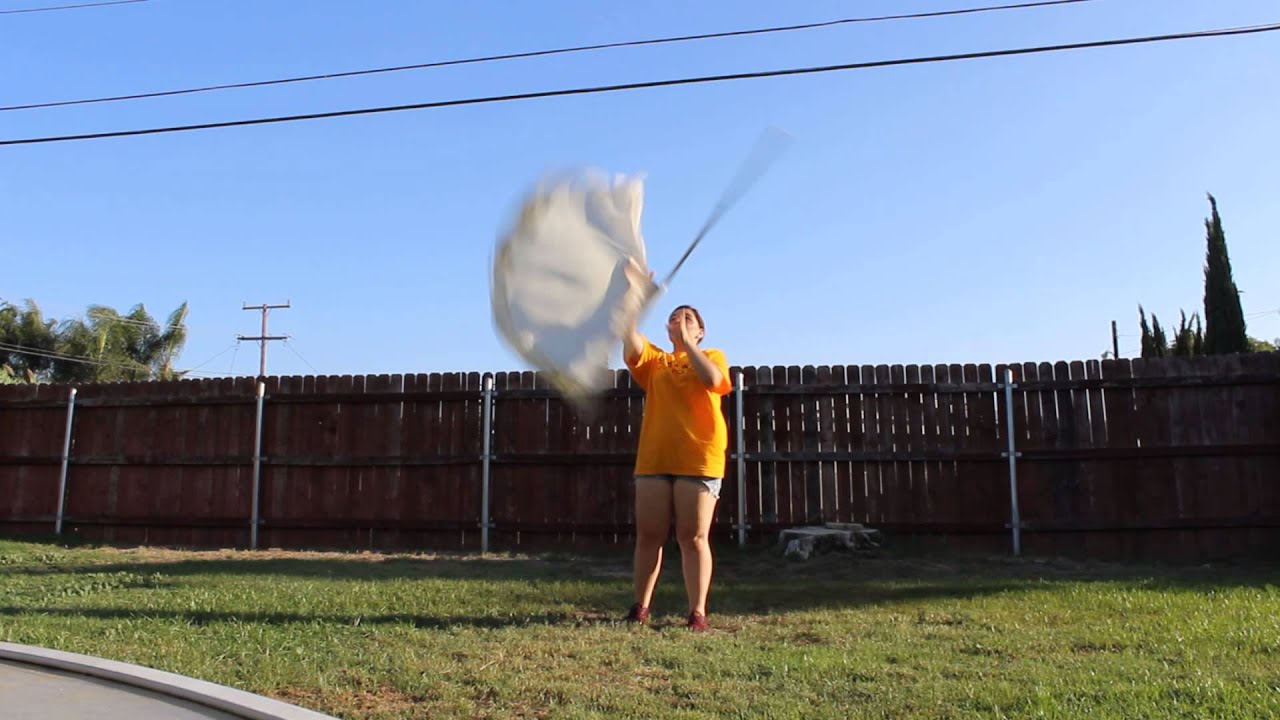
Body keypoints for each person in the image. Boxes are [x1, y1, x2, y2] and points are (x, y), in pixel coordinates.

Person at [619, 260, 732, 631]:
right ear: (666, 328)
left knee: (693, 537)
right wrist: (633, 292)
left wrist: (688, 346)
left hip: (699, 458)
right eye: (674, 316)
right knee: (649, 535)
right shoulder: (656, 361)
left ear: (701, 331)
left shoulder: (712, 356)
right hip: (655, 458)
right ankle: (639, 607)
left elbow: (713, 379)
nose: (681, 319)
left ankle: (697, 613)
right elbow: (626, 331)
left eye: (689, 318)